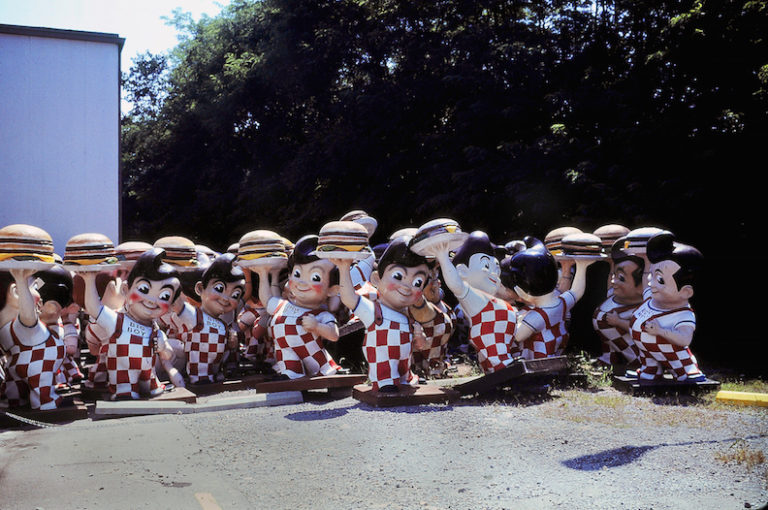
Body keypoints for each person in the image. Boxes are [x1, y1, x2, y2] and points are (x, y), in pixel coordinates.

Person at [80, 248, 180, 400]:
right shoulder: (117, 321)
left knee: (152, 385)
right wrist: (89, 280)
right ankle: (124, 390)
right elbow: (94, 308)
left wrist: (163, 348)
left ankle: (150, 386)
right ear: (126, 290)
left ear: (171, 305)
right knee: (125, 388)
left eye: (164, 296)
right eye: (144, 289)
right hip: (122, 375)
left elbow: (168, 354)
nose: (152, 300)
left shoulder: (154, 328)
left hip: (148, 374)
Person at [331, 236, 428, 392]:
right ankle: (384, 380)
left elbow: (419, 346)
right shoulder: (374, 311)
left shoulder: (408, 317)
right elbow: (349, 298)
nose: (407, 287)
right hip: (382, 363)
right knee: (384, 365)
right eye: (398, 276)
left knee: (405, 366)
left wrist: (419, 336)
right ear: (376, 279)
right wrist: (344, 269)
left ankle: (405, 378)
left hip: (404, 363)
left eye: (417, 282)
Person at [252, 235, 341, 380]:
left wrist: (317, 326)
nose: (302, 282)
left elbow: (333, 335)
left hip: (314, 356)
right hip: (287, 353)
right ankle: (291, 372)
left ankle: (327, 369)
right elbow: (267, 300)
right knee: (288, 361)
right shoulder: (282, 305)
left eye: (315, 277)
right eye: (297, 274)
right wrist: (262, 274)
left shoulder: (321, 314)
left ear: (332, 289)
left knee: (321, 365)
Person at [429, 231, 517, 374]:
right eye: (487, 267)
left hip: (497, 337)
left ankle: (497, 371)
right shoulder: (474, 297)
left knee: (490, 360)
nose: (494, 273)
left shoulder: (489, 298)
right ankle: (504, 368)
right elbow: (456, 285)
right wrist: (443, 257)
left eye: (497, 268)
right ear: (462, 271)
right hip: (489, 335)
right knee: (495, 356)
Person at [629, 231, 705, 382]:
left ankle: (687, 372)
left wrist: (660, 331)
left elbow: (684, 340)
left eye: (660, 280)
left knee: (680, 364)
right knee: (648, 362)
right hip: (647, 353)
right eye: (652, 275)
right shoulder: (651, 297)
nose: (651, 283)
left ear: (685, 291)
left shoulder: (682, 314)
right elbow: (646, 280)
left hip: (674, 357)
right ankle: (650, 371)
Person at [501, 237, 594, 359]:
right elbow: (577, 291)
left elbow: (518, 336)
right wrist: (582, 266)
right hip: (556, 356)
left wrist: (515, 319)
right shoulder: (561, 303)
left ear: (520, 290)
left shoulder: (536, 317)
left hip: (538, 364)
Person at [169, 253, 245, 384]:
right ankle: (200, 377)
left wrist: (231, 338)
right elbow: (175, 302)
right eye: (219, 288)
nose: (226, 298)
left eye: (235, 294)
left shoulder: (223, 323)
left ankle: (219, 373)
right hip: (199, 369)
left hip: (217, 366)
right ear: (199, 289)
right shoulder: (195, 316)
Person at [0, 268, 67, 410]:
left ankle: (14, 399)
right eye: (35, 287)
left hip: (16, 363)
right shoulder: (22, 322)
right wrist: (21, 280)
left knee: (14, 386)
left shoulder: (7, 326)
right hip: (38, 365)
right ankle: (44, 401)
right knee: (40, 383)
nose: (41, 297)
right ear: (16, 292)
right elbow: (29, 316)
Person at [592, 240, 645, 369]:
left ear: (642, 287)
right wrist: (612, 263)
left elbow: (642, 330)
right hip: (610, 340)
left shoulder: (642, 309)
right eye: (614, 276)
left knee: (631, 347)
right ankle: (609, 359)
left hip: (633, 348)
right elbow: (610, 283)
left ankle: (641, 364)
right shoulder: (614, 295)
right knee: (610, 341)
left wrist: (619, 322)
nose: (614, 281)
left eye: (621, 278)